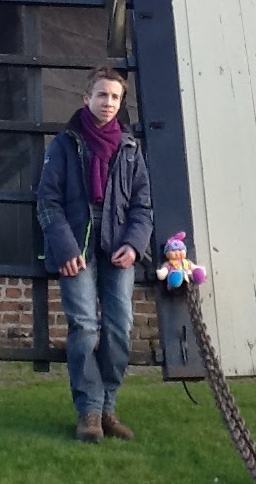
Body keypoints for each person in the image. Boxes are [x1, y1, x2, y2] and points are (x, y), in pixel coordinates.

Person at [36, 66, 153, 443]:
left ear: (121, 104)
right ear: (86, 99)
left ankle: (108, 407)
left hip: (118, 244)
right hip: (78, 243)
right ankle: (89, 411)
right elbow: (48, 202)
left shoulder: (130, 149)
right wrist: (66, 248)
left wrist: (134, 244)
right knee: (85, 327)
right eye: (102, 95)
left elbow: (143, 205)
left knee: (120, 328)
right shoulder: (64, 144)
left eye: (115, 97)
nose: (108, 103)